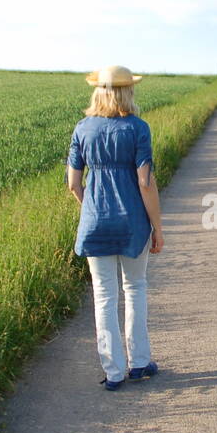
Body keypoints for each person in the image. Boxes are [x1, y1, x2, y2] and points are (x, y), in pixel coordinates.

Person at [66, 65, 163, 390]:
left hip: (95, 223)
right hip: (133, 222)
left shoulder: (83, 128)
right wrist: (157, 228)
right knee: (134, 288)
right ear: (127, 92)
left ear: (98, 91)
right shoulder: (138, 128)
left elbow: (73, 184)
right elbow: (145, 182)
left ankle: (113, 372)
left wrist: (92, 208)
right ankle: (139, 364)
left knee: (104, 296)